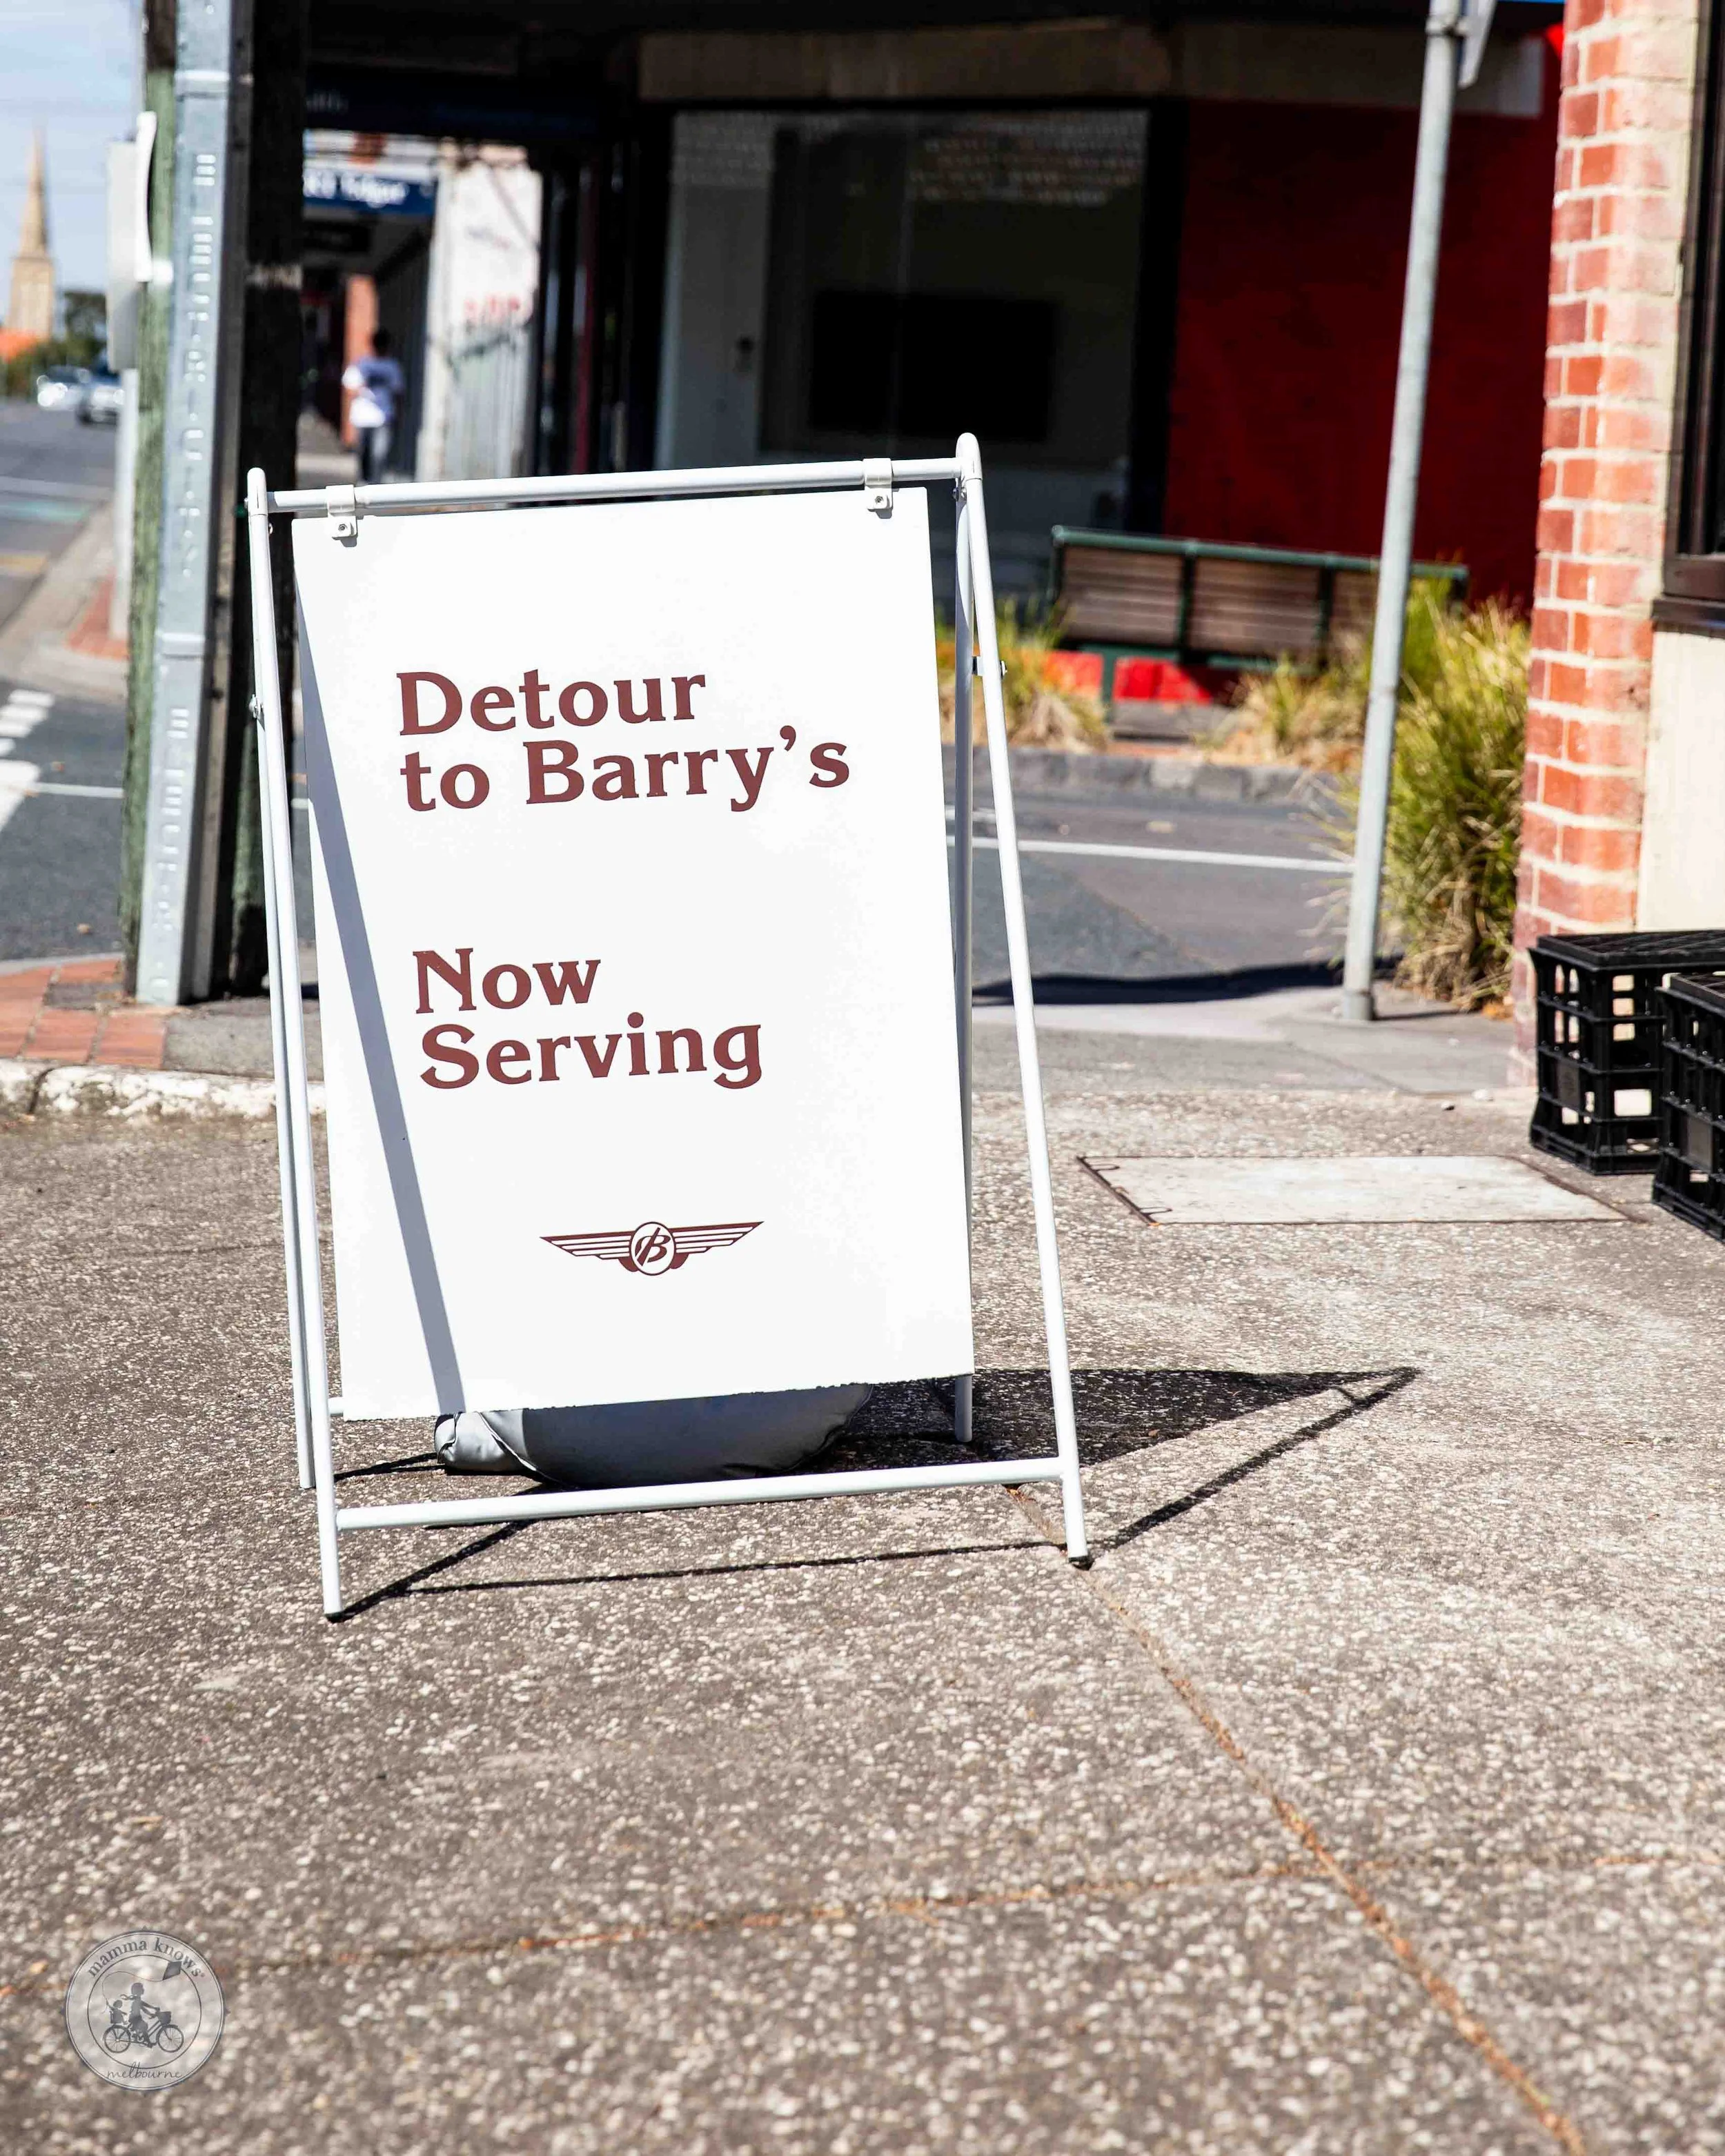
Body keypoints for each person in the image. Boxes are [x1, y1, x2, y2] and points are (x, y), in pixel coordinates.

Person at [342, 328, 404, 484]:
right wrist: (362, 388)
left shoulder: (392, 366)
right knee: (363, 452)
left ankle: (375, 485)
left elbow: (398, 391)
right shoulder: (361, 364)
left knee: (379, 454)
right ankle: (363, 481)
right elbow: (349, 388)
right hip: (363, 416)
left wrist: (397, 413)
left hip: (383, 416)